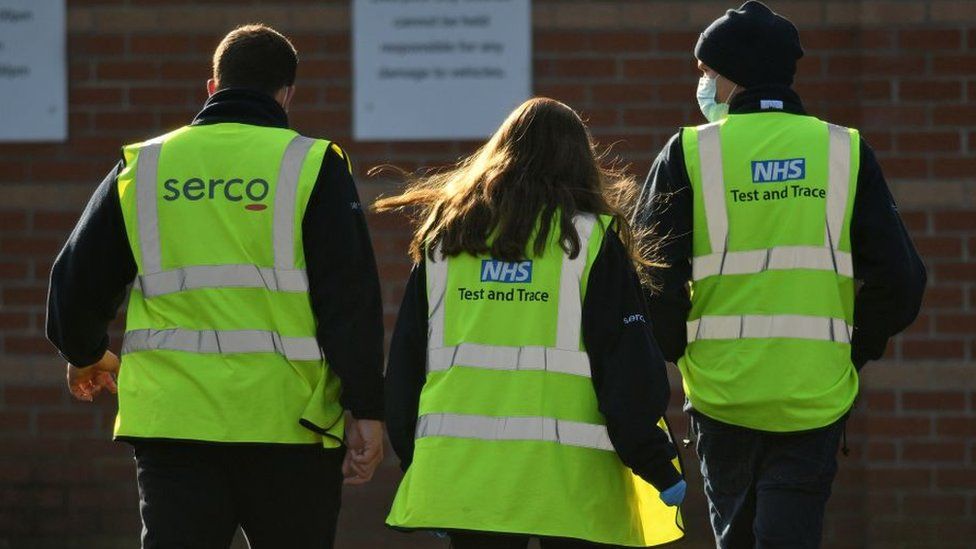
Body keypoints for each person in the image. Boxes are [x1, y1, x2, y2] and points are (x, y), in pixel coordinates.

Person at [46, 24, 386, 549]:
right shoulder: (312, 165)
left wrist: (85, 351)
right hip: (288, 427)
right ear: (287, 93)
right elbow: (351, 300)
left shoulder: (147, 164)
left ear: (212, 87)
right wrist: (366, 409)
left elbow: (74, 283)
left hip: (174, 427)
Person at [633, 2, 927, 548]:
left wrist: (680, 347)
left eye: (705, 72)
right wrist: (851, 349)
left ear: (729, 77)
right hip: (814, 392)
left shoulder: (689, 153)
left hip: (724, 393)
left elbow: (650, 278)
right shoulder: (844, 151)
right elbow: (902, 280)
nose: (702, 84)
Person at [378, 97, 687, 549]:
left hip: (467, 482)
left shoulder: (446, 240)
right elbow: (628, 373)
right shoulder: (590, 242)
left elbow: (406, 364)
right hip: (572, 484)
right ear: (579, 162)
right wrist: (657, 464)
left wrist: (418, 462)